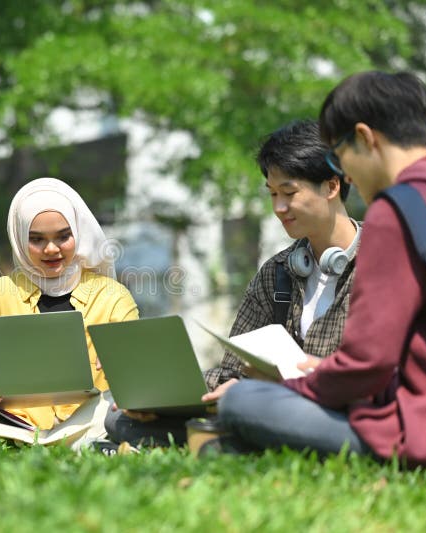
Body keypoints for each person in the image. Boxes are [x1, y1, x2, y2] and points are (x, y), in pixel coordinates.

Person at [218, 71, 426, 466]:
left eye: (341, 157)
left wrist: (301, 382)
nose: (349, 178)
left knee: (243, 401)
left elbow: (368, 364)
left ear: (364, 137)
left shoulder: (394, 212)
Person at [105, 119, 360, 447]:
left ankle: (228, 440)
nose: (278, 208)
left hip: (344, 411)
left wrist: (278, 386)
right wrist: (162, 397)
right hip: (271, 408)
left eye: (289, 193)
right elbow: (230, 372)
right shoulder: (278, 272)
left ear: (331, 186)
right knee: (120, 416)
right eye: (272, 194)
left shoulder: (384, 260)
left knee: (242, 404)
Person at [0, 177, 139, 450]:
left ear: (78, 234)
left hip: (86, 418)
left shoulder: (113, 295)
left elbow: (134, 377)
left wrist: (121, 368)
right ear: (20, 239)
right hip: (13, 421)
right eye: (36, 239)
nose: (51, 249)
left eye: (63, 236)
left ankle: (36, 445)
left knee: (112, 409)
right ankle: (62, 445)